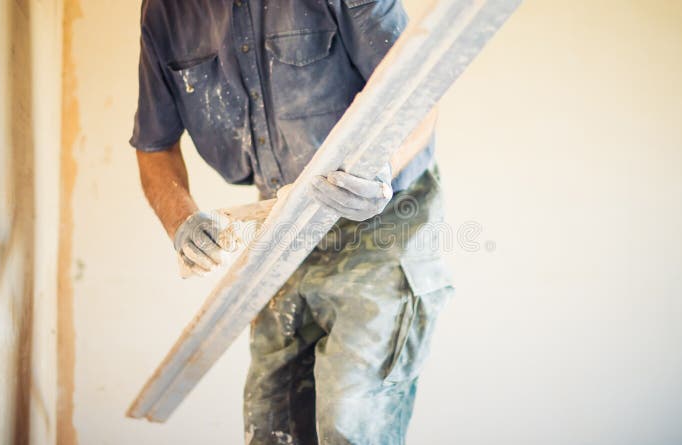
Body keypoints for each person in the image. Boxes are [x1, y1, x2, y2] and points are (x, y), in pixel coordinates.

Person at [131, 1, 453, 443]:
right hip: (285, 227)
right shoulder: (166, 13)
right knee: (272, 422)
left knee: (348, 419)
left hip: (381, 219)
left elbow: (419, 96)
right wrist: (182, 221)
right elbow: (154, 146)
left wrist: (382, 166)